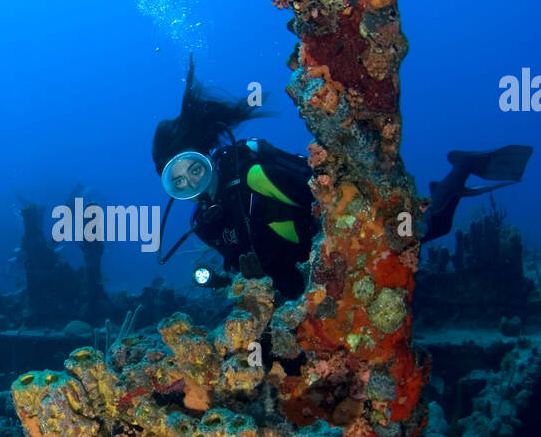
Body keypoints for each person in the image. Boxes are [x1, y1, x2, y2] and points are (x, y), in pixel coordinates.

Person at [152, 58, 533, 298]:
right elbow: (245, 263)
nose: (191, 182)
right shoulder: (203, 223)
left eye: (193, 168)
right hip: (304, 284)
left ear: (204, 156)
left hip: (344, 239)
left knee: (431, 228)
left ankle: (462, 167)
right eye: (178, 181)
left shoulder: (255, 175)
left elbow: (328, 196)